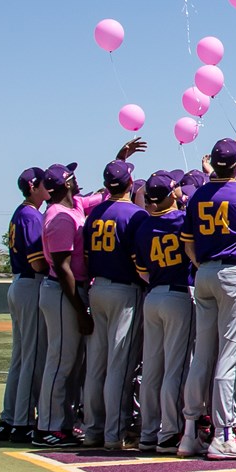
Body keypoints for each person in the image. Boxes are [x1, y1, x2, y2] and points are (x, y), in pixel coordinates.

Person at [179, 139, 236, 459]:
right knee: (228, 355)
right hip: (233, 271)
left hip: (203, 271)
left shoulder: (199, 194)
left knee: (201, 354)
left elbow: (187, 242)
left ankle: (189, 433)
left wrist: (202, 265)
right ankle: (224, 434)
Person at [81, 160, 144, 450]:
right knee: (119, 365)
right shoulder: (135, 214)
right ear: (130, 183)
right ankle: (113, 432)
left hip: (98, 288)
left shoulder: (94, 215)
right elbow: (139, 261)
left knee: (96, 365)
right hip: (124, 290)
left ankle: (93, 429)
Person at [34, 164, 93, 447]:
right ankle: (48, 427)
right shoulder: (59, 217)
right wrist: (81, 311)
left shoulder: (72, 207)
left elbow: (104, 193)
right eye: (72, 176)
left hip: (69, 291)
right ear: (67, 184)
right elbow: (63, 267)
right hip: (61, 291)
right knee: (60, 362)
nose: (77, 178)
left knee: (68, 362)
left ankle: (61, 424)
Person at [132, 172, 192, 452]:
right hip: (177, 293)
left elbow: (142, 271)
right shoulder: (181, 220)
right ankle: (168, 431)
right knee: (174, 369)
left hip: (152, 293)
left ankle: (148, 430)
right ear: (170, 194)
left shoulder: (143, 225)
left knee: (152, 368)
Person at [0, 167, 49, 444]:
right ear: (34, 187)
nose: (47, 187)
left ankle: (10, 418)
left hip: (20, 284)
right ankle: (22, 422)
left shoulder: (22, 212)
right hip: (30, 283)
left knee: (20, 356)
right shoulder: (31, 215)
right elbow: (37, 261)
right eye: (42, 183)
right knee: (31, 355)